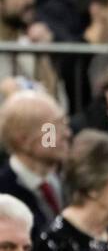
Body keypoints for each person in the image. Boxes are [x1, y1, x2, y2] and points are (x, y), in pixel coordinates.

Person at [0, 89, 69, 234]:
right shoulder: (4, 192)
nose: (66, 134)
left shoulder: (69, 180)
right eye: (53, 128)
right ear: (23, 140)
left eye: (64, 124)